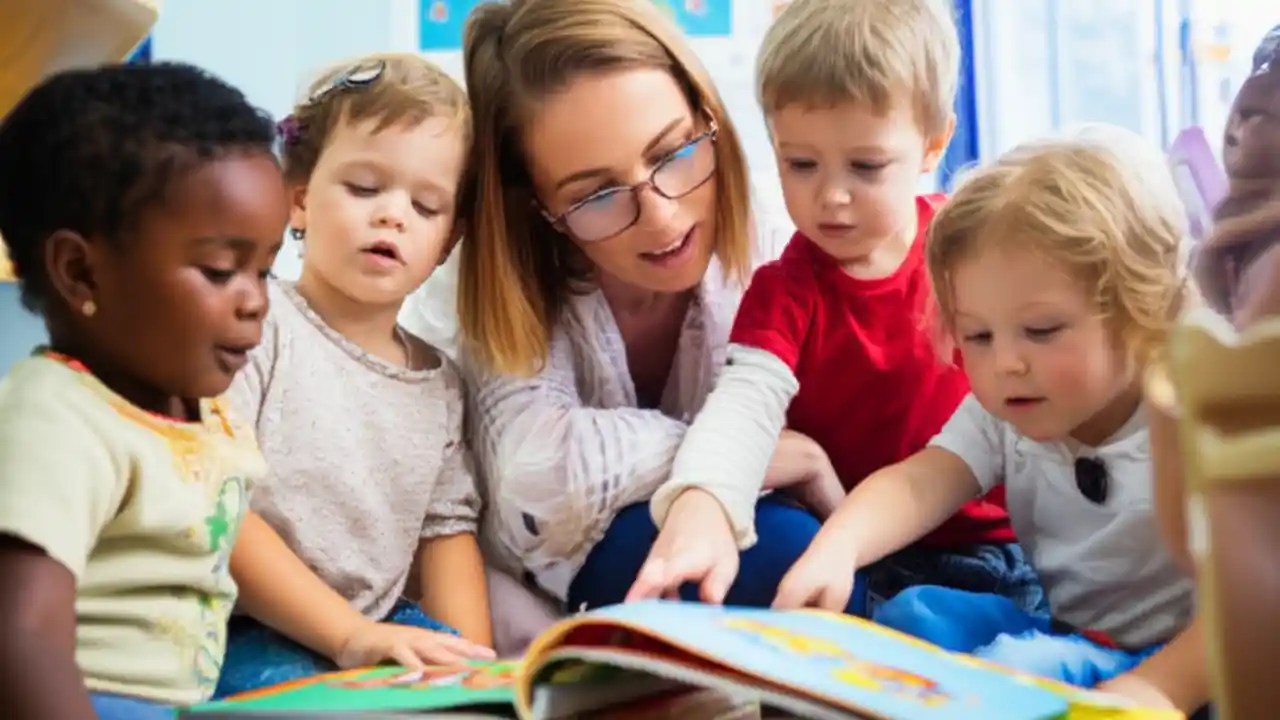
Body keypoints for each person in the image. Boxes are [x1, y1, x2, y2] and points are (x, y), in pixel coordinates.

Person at [773, 127, 1207, 713]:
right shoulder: (1005, 411)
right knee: (906, 617)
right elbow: (919, 480)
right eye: (978, 335)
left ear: (1140, 309)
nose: (1006, 363)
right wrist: (839, 547)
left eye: (1042, 331)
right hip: (1071, 635)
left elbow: (1259, 596)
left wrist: (1160, 688)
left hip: (1185, 664)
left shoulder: (1189, 415)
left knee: (1012, 672)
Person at [455, 0, 844, 614]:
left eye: (673, 153)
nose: (662, 217)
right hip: (546, 584)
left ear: (706, 116)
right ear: (539, 208)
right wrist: (747, 453)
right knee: (782, 553)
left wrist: (722, 466)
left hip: (709, 534)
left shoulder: (781, 239)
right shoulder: (487, 278)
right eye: (598, 195)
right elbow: (535, 480)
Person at [659, 0, 1037, 616]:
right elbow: (741, 407)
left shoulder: (970, 250)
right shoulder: (787, 290)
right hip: (856, 550)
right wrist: (703, 500)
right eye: (800, 164)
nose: (831, 196)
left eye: (865, 166)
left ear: (932, 143)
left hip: (1001, 544)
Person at [0, 63, 286, 720]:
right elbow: (20, 633)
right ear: (80, 271)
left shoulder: (197, 408)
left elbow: (222, 548)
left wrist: (351, 634)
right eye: (220, 271)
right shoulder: (56, 417)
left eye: (265, 270)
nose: (256, 302)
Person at [213, 53, 494, 698]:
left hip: (383, 625)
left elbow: (446, 536)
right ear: (300, 201)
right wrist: (346, 635)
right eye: (365, 189)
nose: (393, 215)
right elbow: (216, 506)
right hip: (250, 626)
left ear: (447, 244)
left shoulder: (439, 385)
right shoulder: (256, 324)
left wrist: (478, 673)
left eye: (426, 206)